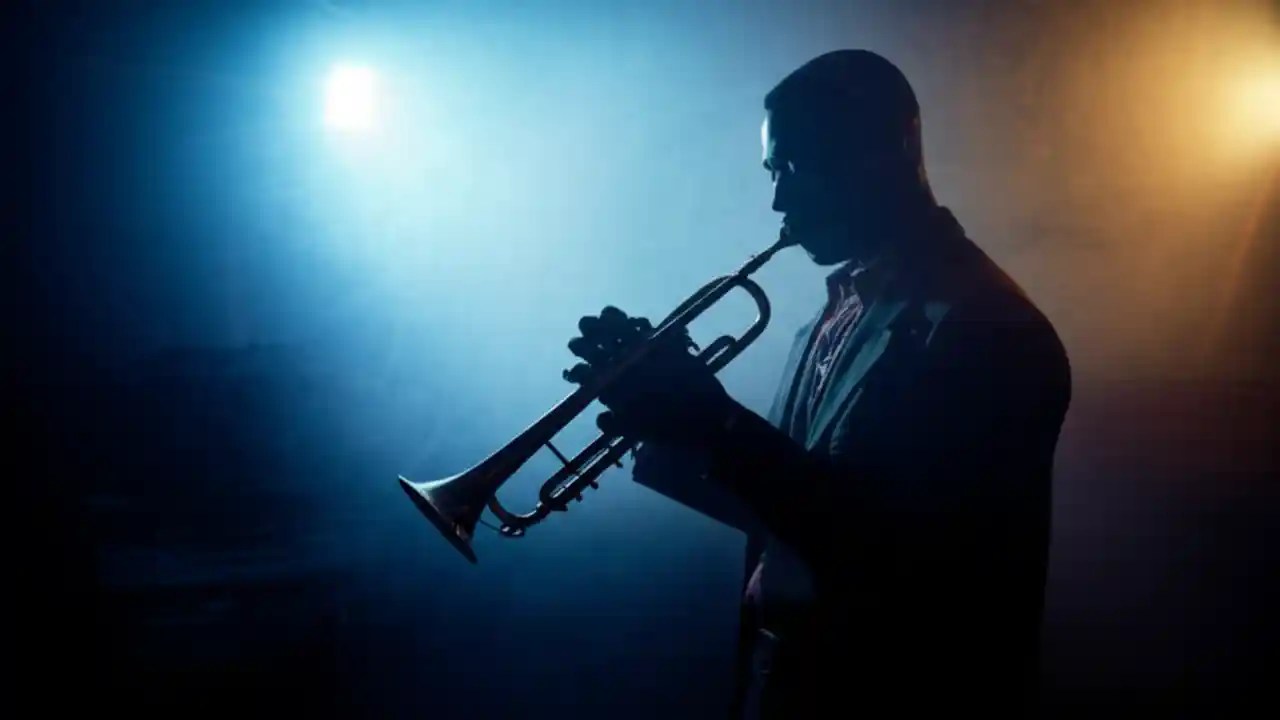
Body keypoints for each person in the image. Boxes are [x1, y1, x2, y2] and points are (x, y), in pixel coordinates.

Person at [563, 49, 1071, 718]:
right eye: (773, 173)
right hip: (785, 682)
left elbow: (903, 558)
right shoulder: (831, 314)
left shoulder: (989, 326)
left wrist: (712, 419)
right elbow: (794, 510)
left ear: (885, 150)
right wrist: (664, 419)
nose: (778, 199)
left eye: (794, 168)